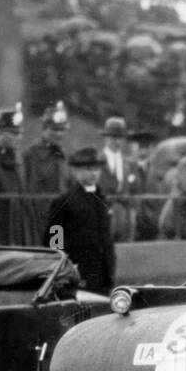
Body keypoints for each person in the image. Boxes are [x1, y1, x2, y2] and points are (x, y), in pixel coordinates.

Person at [44, 147, 115, 294]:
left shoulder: (102, 199)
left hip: (102, 275)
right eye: (88, 169)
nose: (94, 173)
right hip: (77, 274)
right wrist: (62, 271)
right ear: (75, 171)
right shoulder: (64, 202)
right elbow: (54, 243)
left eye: (97, 169)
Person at [22, 101, 71, 245]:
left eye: (62, 130)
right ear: (44, 128)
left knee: (58, 253)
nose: (59, 134)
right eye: (55, 130)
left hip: (61, 219)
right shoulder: (31, 155)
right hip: (37, 221)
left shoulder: (64, 156)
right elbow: (27, 191)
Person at [0, 105, 33, 246]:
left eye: (19, 133)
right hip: (1, 236)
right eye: (12, 133)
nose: (17, 138)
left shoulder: (20, 163)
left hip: (21, 233)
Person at [97, 116, 134, 242]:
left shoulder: (127, 164)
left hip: (122, 218)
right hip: (102, 216)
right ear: (106, 138)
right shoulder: (97, 160)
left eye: (120, 138)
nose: (117, 142)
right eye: (113, 137)